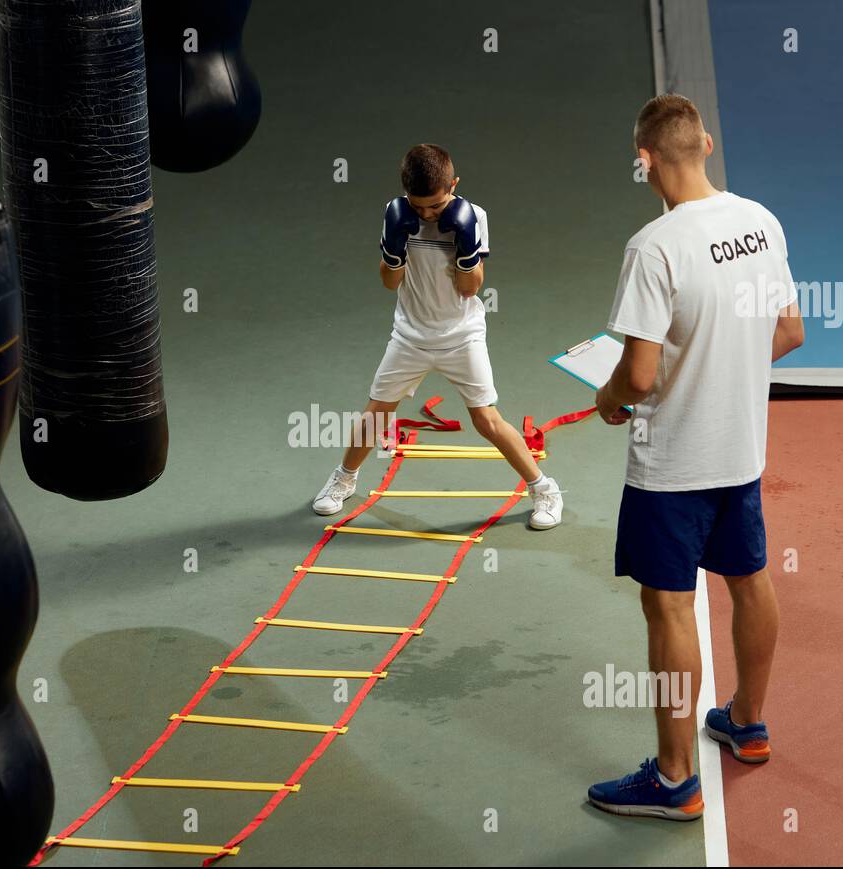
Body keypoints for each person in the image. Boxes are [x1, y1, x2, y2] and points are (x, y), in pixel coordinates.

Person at [586, 94, 805, 820]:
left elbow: (640, 376)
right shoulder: (760, 222)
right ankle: (747, 723)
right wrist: (727, 372)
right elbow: (789, 330)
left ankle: (675, 779)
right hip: (741, 452)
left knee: (670, 608)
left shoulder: (655, 247)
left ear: (643, 162)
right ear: (706, 143)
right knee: (749, 579)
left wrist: (610, 398)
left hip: (672, 464)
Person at [312, 144, 564, 529]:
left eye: (436, 205)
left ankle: (545, 489)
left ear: (454, 185)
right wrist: (395, 251)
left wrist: (465, 251)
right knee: (375, 413)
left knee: (487, 420)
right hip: (410, 336)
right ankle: (344, 479)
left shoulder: (473, 216)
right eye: (418, 206)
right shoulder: (395, 214)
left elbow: (470, 288)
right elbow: (388, 281)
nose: (427, 214)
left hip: (461, 336)